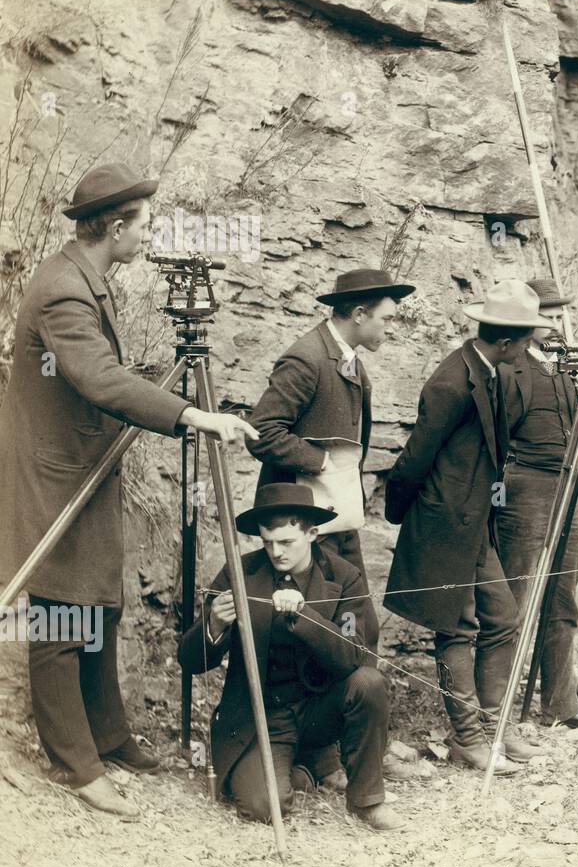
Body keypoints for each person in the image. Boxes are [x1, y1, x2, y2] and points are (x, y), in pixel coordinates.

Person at [0, 162, 257, 817]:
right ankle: (76, 764)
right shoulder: (64, 289)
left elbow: (104, 372)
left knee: (100, 601)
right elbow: (99, 380)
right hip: (53, 474)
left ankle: (107, 734)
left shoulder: (90, 277)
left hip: (85, 462)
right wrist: (192, 413)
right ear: (114, 227)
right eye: (143, 225)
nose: (149, 237)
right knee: (60, 612)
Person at [246, 268, 412, 787]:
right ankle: (310, 752)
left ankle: (345, 743)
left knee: (355, 625)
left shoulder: (354, 364)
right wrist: (319, 462)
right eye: (385, 318)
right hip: (299, 524)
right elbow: (262, 431)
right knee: (304, 627)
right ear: (358, 314)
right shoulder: (306, 358)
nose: (390, 327)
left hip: (337, 517)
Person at [383, 281, 547, 773]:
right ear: (506, 341)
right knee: (457, 628)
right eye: (526, 341)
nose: (529, 350)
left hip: (474, 523)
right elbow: (417, 455)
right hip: (444, 521)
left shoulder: (490, 370)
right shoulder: (452, 381)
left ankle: (494, 729)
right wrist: (404, 514)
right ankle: (468, 739)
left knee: (502, 619)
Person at [178, 484, 397, 830]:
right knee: (265, 806)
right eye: (267, 542)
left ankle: (367, 801)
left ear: (312, 533)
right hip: (262, 718)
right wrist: (214, 624)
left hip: (319, 711)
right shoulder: (241, 573)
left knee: (369, 684)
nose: (276, 552)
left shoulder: (344, 577)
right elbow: (190, 662)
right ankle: (306, 767)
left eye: (286, 542)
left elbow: (356, 658)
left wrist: (306, 617)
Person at [496, 278, 578, 731]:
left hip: (571, 491)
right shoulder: (510, 366)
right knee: (517, 600)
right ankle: (498, 709)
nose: (556, 321)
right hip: (527, 490)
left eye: (559, 312)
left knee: (562, 602)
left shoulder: (567, 366)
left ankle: (561, 705)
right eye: (546, 313)